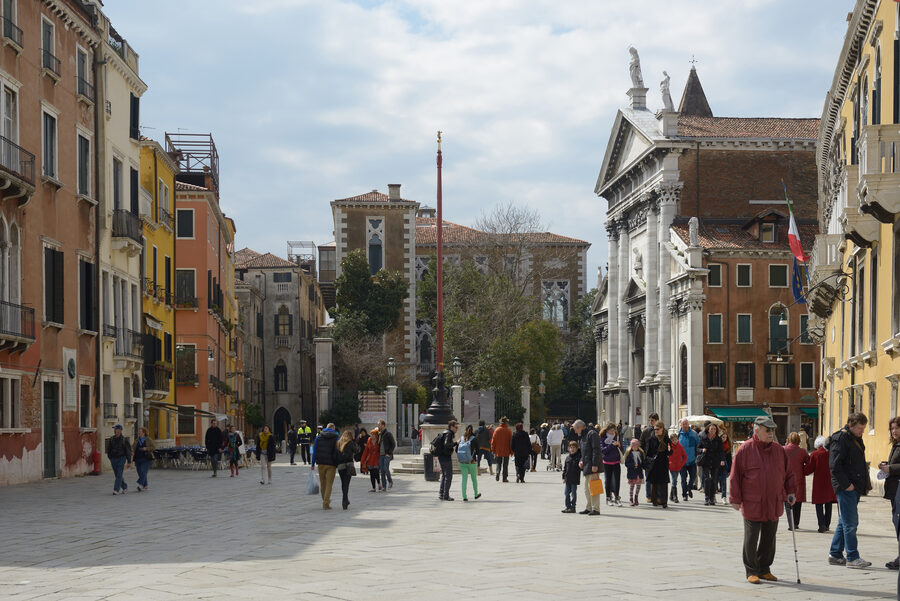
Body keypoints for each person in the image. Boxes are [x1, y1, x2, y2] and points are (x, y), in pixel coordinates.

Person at [729, 415, 797, 585]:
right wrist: (735, 498)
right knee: (751, 538)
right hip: (752, 502)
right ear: (757, 430)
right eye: (768, 430)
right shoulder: (745, 449)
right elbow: (735, 476)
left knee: (769, 538)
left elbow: (789, 474)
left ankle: (764, 569)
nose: (771, 433)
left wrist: (791, 492)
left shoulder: (778, 450)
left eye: (773, 430)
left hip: (773, 501)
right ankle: (751, 570)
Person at [828, 412, 872, 569]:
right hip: (846, 487)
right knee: (851, 523)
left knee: (844, 521)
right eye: (860, 428)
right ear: (851, 425)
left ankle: (835, 554)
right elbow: (834, 466)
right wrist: (847, 485)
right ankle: (852, 557)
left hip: (854, 486)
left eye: (864, 428)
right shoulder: (841, 438)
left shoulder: (854, 438)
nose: (862, 431)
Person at [804, 435, 836, 534]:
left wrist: (801, 467)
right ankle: (827, 524)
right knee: (828, 503)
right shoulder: (832, 453)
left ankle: (821, 525)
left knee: (819, 504)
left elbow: (808, 470)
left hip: (819, 482)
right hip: (830, 482)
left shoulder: (815, 454)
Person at [880, 417, 900, 569]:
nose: (894, 431)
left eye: (897, 428)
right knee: (897, 522)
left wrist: (891, 469)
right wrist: (887, 466)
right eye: (892, 428)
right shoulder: (896, 445)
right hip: (895, 490)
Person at [574, 419, 602, 516]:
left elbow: (596, 450)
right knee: (587, 489)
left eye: (575, 429)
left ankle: (596, 509)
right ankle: (589, 507)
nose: (575, 431)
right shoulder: (583, 436)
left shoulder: (592, 434)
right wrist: (581, 460)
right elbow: (584, 451)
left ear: (580, 427)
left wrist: (595, 464)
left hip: (593, 466)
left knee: (594, 488)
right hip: (586, 465)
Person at [783, 431, 810, 530]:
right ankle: (796, 523)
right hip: (799, 478)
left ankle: (790, 523)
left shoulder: (783, 449)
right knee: (798, 502)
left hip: (786, 478)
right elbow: (808, 463)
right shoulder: (802, 451)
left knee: (787, 501)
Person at [311, 422, 340, 509]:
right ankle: (326, 503)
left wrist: (312, 463)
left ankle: (325, 500)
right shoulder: (336, 437)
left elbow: (314, 451)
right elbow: (338, 451)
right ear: (333, 428)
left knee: (323, 484)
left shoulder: (318, 437)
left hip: (321, 463)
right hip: (331, 464)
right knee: (329, 484)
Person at [697, 422, 725, 506]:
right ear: (708, 430)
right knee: (706, 479)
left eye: (714, 429)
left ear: (716, 431)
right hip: (706, 460)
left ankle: (712, 498)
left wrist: (722, 460)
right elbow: (697, 448)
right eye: (711, 429)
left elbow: (721, 451)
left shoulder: (718, 439)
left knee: (714, 479)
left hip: (715, 461)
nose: (713, 430)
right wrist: (702, 450)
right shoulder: (703, 437)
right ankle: (706, 498)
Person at [646, 421, 671, 508]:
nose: (655, 430)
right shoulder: (651, 439)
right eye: (655, 429)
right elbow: (648, 452)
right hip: (654, 463)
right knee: (654, 483)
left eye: (657, 429)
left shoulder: (666, 439)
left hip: (663, 463)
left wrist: (669, 449)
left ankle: (664, 501)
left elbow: (670, 453)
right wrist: (649, 460)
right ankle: (654, 500)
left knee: (664, 483)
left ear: (662, 429)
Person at [599, 422, 622, 507]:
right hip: (607, 462)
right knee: (607, 481)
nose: (613, 432)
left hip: (616, 461)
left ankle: (617, 498)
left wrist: (619, 445)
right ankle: (608, 498)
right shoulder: (603, 438)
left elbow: (620, 449)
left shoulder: (616, 436)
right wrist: (612, 445)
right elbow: (603, 451)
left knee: (617, 480)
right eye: (611, 430)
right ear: (607, 430)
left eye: (614, 430)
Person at [435, 420, 459, 501]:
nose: (457, 429)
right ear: (451, 427)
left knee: (444, 475)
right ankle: (446, 495)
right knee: (448, 476)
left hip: (442, 457)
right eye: (456, 427)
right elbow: (446, 445)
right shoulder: (449, 434)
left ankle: (441, 494)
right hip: (445, 457)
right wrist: (456, 443)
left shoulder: (445, 433)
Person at [106, 424, 132, 495]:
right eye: (114, 429)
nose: (115, 430)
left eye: (116, 429)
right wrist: (110, 457)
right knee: (117, 475)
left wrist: (129, 461)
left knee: (119, 473)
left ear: (120, 430)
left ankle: (116, 489)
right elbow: (108, 449)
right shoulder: (111, 439)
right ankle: (125, 487)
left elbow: (128, 451)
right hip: (113, 459)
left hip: (121, 458)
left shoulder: (124, 440)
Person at [457, 424, 481, 502]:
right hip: (472, 462)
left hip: (462, 462)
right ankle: (476, 494)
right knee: (474, 479)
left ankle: (464, 496)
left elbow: (456, 450)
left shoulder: (461, 438)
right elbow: (478, 451)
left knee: (464, 479)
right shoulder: (474, 439)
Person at [678, 418, 700, 501]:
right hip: (682, 461)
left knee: (693, 477)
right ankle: (684, 494)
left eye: (686, 424)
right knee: (683, 479)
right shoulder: (678, 434)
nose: (685, 425)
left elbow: (698, 444)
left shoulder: (694, 434)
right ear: (681, 425)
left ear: (688, 424)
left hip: (692, 460)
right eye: (683, 424)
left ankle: (689, 488)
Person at [640, 412, 659, 502]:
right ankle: (649, 496)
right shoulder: (646, 431)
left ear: (657, 421)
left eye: (652, 420)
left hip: (658, 457)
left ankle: (658, 496)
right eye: (650, 420)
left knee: (658, 478)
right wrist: (643, 455)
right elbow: (641, 443)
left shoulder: (661, 430)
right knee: (648, 478)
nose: (650, 422)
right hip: (648, 457)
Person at [336, 430, 357, 510]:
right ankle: (344, 500)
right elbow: (356, 450)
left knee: (343, 483)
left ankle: (345, 499)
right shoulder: (350, 443)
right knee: (346, 483)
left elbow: (336, 454)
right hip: (349, 465)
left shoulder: (338, 443)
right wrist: (355, 441)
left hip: (341, 466)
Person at [624, 438, 645, 506]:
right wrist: (633, 465)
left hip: (639, 472)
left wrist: (643, 465)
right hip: (632, 472)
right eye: (634, 447)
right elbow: (626, 464)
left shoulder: (640, 453)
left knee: (638, 486)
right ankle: (631, 498)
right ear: (631, 446)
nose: (636, 448)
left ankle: (636, 497)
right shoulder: (629, 453)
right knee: (632, 486)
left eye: (637, 446)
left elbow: (643, 462)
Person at [132, 426, 154, 492]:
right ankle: (145, 485)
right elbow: (133, 447)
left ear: (144, 433)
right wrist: (132, 451)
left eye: (140, 431)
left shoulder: (148, 439)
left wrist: (146, 448)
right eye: (138, 431)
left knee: (143, 471)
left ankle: (140, 485)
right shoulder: (136, 440)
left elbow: (153, 447)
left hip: (146, 458)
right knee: (140, 472)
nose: (139, 432)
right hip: (138, 458)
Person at [491, 417, 513, 482]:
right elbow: (511, 442)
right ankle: (504, 478)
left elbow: (493, 441)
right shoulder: (509, 431)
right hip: (506, 450)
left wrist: (493, 449)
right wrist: (511, 451)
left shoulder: (497, 430)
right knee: (505, 464)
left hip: (498, 450)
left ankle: (497, 472)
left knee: (498, 462)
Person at [561, 441, 581, 513]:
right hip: (568, 479)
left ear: (576, 448)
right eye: (571, 447)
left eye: (574, 448)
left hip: (574, 479)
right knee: (566, 493)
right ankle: (568, 506)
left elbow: (580, 468)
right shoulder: (567, 457)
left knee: (573, 494)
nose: (572, 449)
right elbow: (565, 468)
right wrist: (563, 477)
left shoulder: (578, 457)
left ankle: (573, 507)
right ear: (568, 448)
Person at [376, 419, 395, 491]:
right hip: (381, 455)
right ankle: (384, 486)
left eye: (379, 425)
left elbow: (393, 444)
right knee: (382, 471)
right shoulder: (379, 434)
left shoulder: (388, 434)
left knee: (385, 468)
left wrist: (389, 453)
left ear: (383, 425)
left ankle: (390, 481)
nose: (378, 426)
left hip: (387, 454)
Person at [668, 433, 686, 505]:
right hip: (671, 466)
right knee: (674, 480)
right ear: (671, 440)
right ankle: (675, 496)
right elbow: (667, 455)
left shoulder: (680, 447)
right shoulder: (669, 447)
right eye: (673, 440)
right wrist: (668, 463)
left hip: (678, 466)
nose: (675, 441)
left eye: (676, 439)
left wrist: (681, 464)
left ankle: (671, 495)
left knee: (674, 480)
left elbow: (684, 456)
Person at [718, 429, 732, 503]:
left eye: (725, 437)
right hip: (716, 466)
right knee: (715, 481)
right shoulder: (716, 445)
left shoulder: (728, 447)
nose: (724, 439)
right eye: (723, 437)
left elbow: (729, 459)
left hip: (724, 467)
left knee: (724, 482)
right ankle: (713, 496)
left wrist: (730, 469)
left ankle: (724, 496)